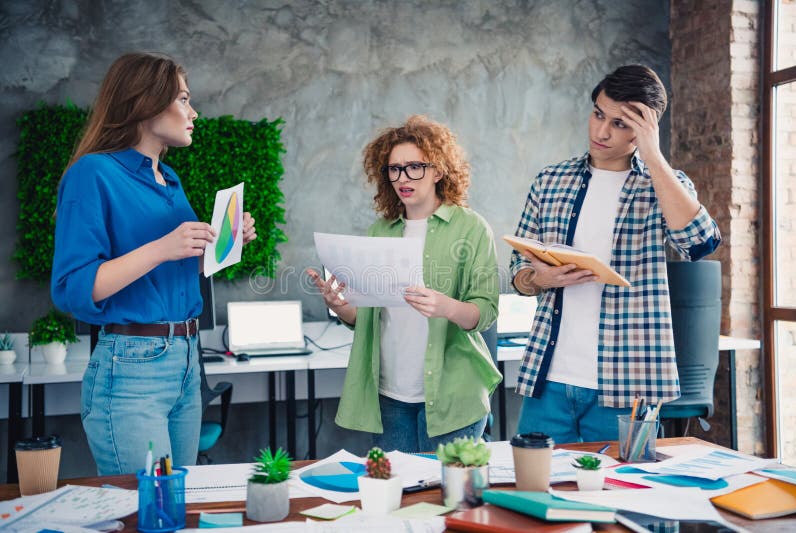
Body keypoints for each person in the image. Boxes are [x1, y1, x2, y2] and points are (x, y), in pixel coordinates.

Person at [51, 53, 257, 475]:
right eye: (183, 99)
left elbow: (169, 276)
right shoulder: (92, 174)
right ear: (145, 103)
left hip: (185, 360)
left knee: (175, 502)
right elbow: (74, 288)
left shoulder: (169, 179)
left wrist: (221, 248)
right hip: (131, 370)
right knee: (150, 509)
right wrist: (163, 247)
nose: (193, 112)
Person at [510, 65, 721, 443]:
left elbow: (699, 243)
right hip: (548, 380)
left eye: (621, 124)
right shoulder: (550, 180)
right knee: (530, 491)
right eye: (598, 114)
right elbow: (518, 270)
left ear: (646, 129)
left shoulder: (665, 184)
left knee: (622, 495)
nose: (601, 131)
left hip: (627, 389)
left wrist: (654, 157)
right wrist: (536, 278)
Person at [307, 115, 501, 452]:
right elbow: (366, 317)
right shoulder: (380, 231)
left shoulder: (470, 228)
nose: (402, 178)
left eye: (414, 167)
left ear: (438, 170)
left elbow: (485, 312)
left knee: (449, 500)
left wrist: (446, 306)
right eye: (394, 169)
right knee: (397, 499)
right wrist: (340, 306)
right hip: (390, 398)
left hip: (453, 397)